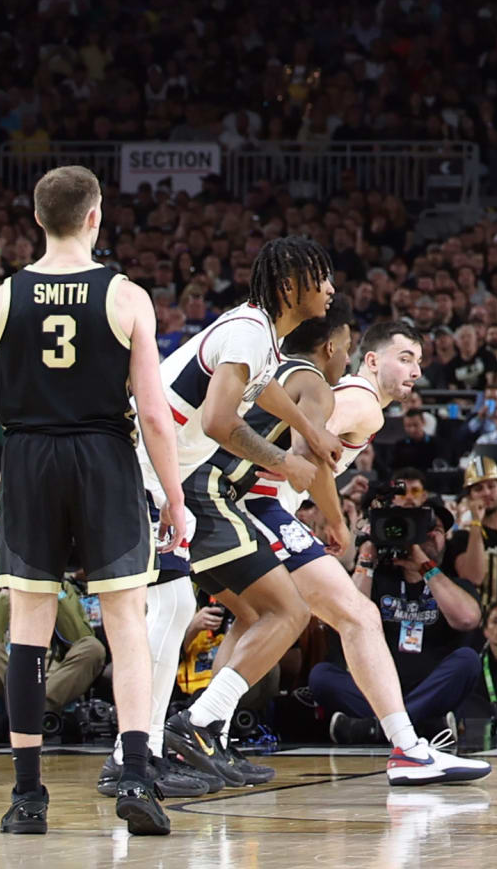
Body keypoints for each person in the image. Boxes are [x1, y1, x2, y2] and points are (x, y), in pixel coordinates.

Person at [0, 163, 196, 835]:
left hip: (29, 459)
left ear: (39, 219)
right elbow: (153, 412)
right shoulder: (126, 296)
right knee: (125, 627)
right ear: (94, 216)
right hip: (103, 457)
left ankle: (27, 797)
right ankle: (136, 775)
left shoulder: (3, 297)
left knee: (28, 633)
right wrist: (175, 497)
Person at [235, 307, 487, 784]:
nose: (415, 370)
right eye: (405, 357)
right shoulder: (363, 400)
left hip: (248, 500)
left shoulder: (352, 397)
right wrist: (336, 521)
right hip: (261, 502)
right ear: (370, 361)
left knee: (258, 618)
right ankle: (408, 748)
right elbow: (306, 448)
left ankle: (199, 732)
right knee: (358, 616)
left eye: (419, 362)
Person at [156, 236, 342, 792]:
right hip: (179, 481)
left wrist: (310, 430)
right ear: (290, 287)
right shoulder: (249, 330)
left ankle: (196, 733)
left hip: (173, 479)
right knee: (284, 612)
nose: (331, 289)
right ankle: (186, 730)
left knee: (244, 615)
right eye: (321, 278)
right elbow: (217, 419)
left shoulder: (258, 335)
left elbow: (263, 391)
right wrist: (287, 461)